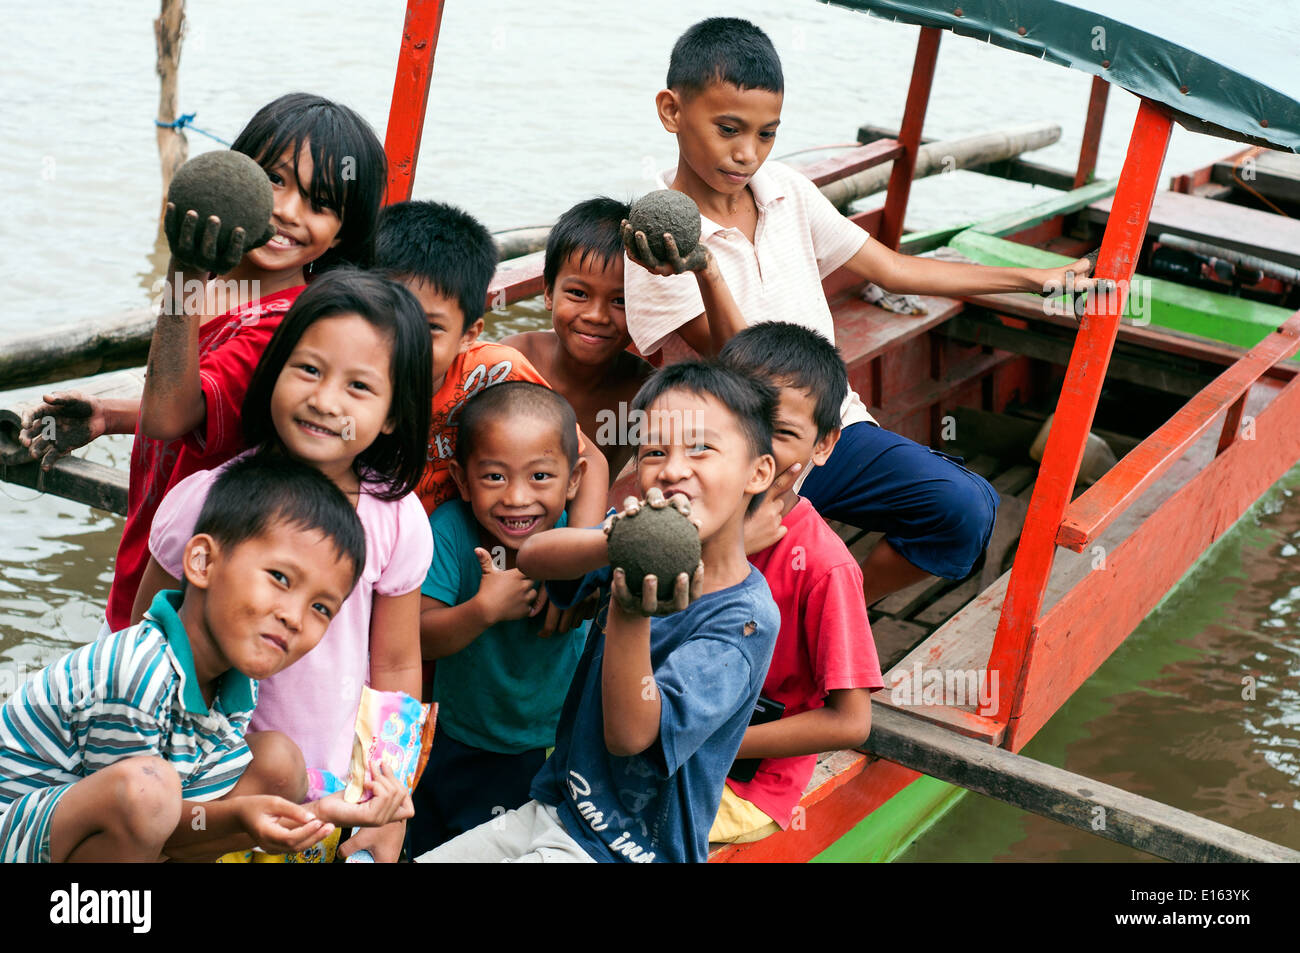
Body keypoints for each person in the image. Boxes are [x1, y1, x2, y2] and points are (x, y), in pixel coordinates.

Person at [621, 18, 1100, 603]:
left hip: (829, 432)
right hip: (731, 455)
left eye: (766, 134)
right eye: (727, 129)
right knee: (722, 571)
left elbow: (893, 269)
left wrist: (1035, 279)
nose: (747, 153)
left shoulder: (786, 191)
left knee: (965, 509)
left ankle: (839, 606)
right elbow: (745, 370)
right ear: (672, 111)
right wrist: (706, 269)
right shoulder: (656, 249)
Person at [19, 92, 388, 633]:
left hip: (196, 590)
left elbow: (171, 418)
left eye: (320, 202)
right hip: (152, 550)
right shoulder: (216, 286)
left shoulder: (286, 325)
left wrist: (182, 277)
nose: (287, 211)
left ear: (343, 232)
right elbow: (193, 406)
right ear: (237, 178)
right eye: (275, 181)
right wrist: (110, 416)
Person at [418, 361, 781, 863]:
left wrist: (630, 609)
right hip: (555, 809)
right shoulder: (623, 542)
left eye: (700, 447)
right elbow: (536, 556)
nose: (673, 469)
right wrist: (610, 543)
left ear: (758, 472)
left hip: (626, 849)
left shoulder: (743, 621)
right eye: (655, 451)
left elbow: (631, 736)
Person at [129, 268, 433, 862]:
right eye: (309, 370)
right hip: (203, 792)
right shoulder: (203, 501)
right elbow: (140, 641)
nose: (325, 401)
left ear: (395, 413)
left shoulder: (394, 519)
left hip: (325, 800)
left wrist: (389, 804)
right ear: (275, 369)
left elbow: (395, 664)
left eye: (359, 388)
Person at [0, 455, 413, 862]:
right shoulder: (138, 673)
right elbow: (144, 815)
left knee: (277, 764)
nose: (294, 617)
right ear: (202, 561)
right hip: (18, 832)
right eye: (280, 578)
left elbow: (187, 819)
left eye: (321, 608)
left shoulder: (236, 680)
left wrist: (318, 813)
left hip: (121, 822)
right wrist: (241, 816)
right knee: (152, 790)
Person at [712, 322, 883, 843]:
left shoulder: (825, 568)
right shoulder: (682, 517)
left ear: (824, 444)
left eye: (782, 433)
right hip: (661, 733)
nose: (759, 453)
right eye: (742, 423)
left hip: (743, 782)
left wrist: (712, 742)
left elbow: (850, 722)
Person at [408, 382, 591, 855]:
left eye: (540, 477)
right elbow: (419, 638)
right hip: (458, 737)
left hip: (552, 744)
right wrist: (482, 610)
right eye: (494, 477)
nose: (516, 498)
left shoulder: (583, 544)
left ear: (574, 480)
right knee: (435, 845)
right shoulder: (450, 529)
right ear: (463, 480)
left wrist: (576, 580)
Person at [372, 199, 610, 521]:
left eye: (432, 328)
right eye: (387, 315)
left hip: (475, 533)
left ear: (468, 335)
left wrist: (577, 555)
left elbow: (588, 461)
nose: (405, 338)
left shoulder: (492, 372)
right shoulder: (342, 380)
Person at [501, 197, 653, 480]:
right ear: (548, 292)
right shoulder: (512, 362)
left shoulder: (642, 391)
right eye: (578, 294)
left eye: (620, 300)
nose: (596, 315)